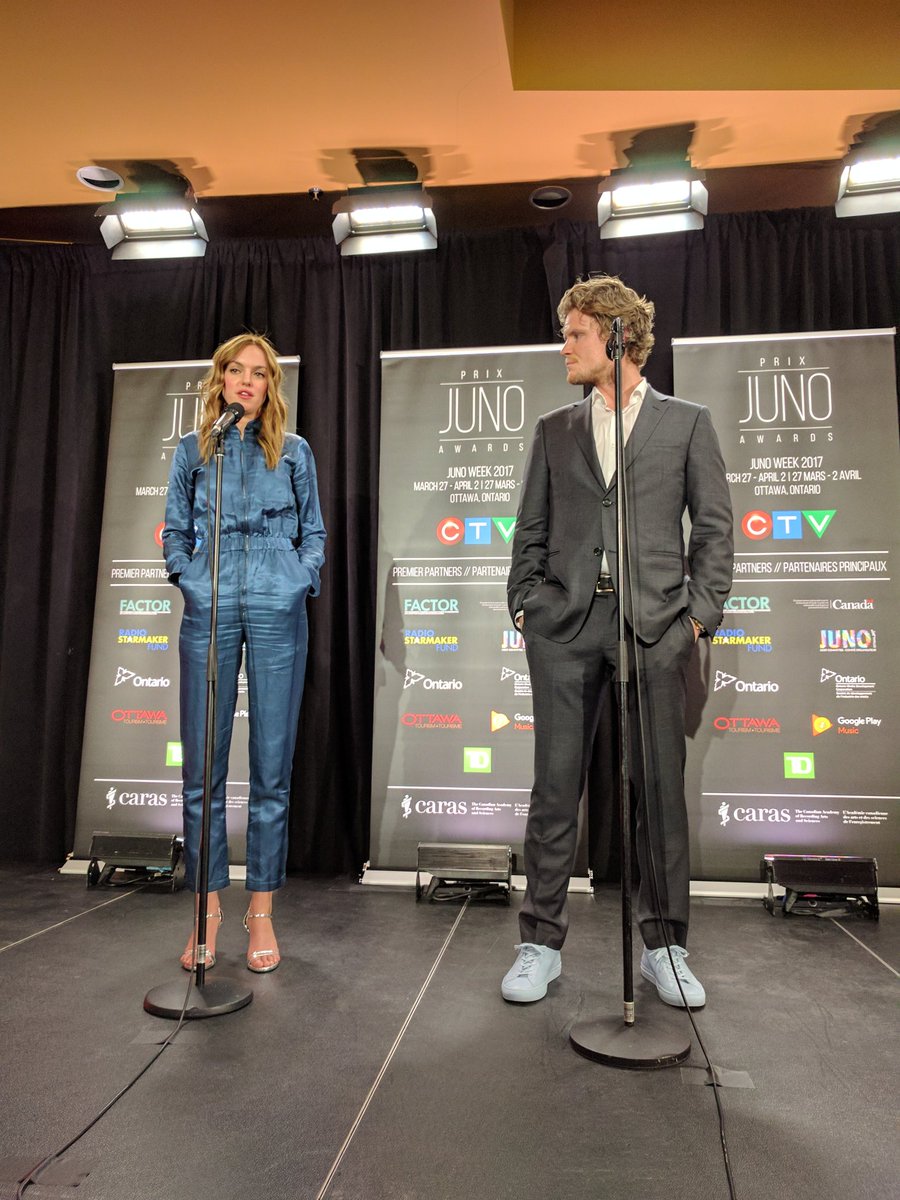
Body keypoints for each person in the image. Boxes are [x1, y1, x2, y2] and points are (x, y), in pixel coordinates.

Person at [502, 275, 732, 1007]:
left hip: (656, 630)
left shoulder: (687, 422)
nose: (563, 346)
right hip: (566, 630)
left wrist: (694, 620)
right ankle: (540, 942)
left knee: (658, 793)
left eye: (574, 333)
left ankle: (664, 947)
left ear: (616, 334)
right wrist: (525, 609)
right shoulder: (553, 429)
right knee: (554, 792)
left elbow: (715, 531)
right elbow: (529, 533)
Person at [163, 333, 326, 974]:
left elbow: (313, 529)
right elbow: (175, 529)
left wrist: (297, 576)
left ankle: (260, 911)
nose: (247, 382)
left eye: (259, 374)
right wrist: (191, 573)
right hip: (213, 591)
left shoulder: (294, 452)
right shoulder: (193, 452)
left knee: (270, 764)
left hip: (276, 595)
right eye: (237, 371)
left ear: (271, 386)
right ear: (221, 380)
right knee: (202, 764)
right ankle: (205, 910)